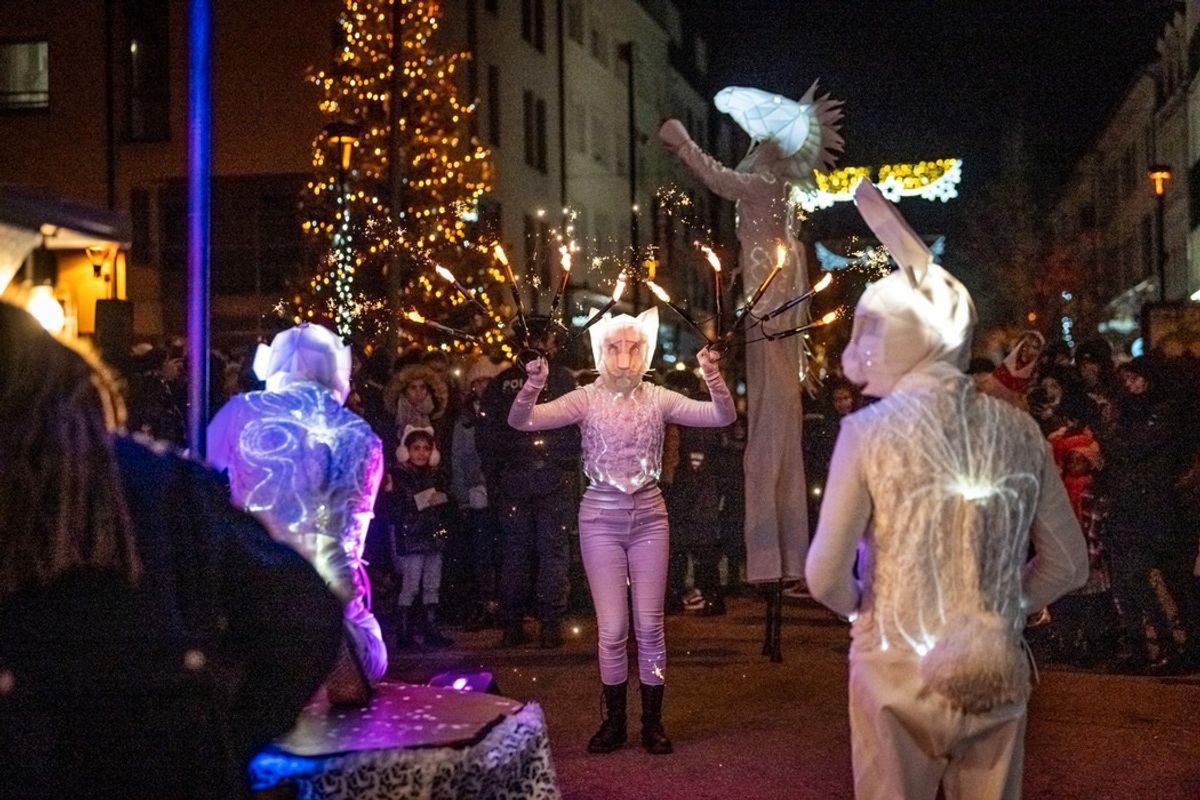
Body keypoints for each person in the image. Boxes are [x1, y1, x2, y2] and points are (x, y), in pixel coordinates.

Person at [805, 181, 1087, 800]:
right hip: (992, 666)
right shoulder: (1019, 429)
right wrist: (1004, 608)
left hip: (892, 668)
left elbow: (825, 575)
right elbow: (1070, 563)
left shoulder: (867, 431)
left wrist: (870, 610)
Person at [0, 302, 342, 799]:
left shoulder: (154, 485)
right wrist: (224, 731)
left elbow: (301, 613)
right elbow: (302, 614)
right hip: (162, 763)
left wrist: (225, 729)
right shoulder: (160, 485)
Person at [508, 306, 735, 756]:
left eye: (634, 347)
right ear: (601, 349)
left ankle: (653, 722)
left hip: (650, 515)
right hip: (599, 517)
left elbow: (721, 416)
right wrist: (533, 382)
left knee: (650, 627)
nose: (625, 357)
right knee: (612, 629)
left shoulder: (659, 397)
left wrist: (711, 374)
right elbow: (521, 421)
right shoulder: (585, 397)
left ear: (645, 350)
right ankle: (614, 721)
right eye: (615, 347)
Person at [207, 323, 387, 690]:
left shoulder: (238, 411)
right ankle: (336, 638)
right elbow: (351, 532)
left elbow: (199, 475)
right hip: (325, 590)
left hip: (253, 581)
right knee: (373, 649)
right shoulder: (360, 435)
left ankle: (267, 647)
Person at [477, 317, 581, 649]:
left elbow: (487, 437)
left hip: (513, 478)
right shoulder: (562, 380)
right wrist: (564, 463)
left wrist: (497, 476)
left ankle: (513, 624)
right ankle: (550, 624)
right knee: (552, 551)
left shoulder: (502, 383)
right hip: (550, 475)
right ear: (546, 340)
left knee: (515, 552)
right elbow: (576, 429)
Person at [450, 357, 507, 628]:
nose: (483, 386)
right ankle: (486, 603)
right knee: (481, 553)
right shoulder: (464, 421)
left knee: (503, 551)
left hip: (500, 491)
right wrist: (463, 494)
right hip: (475, 495)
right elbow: (458, 459)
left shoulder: (503, 412)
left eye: (487, 381)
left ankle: (504, 603)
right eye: (479, 382)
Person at [386, 425, 453, 649]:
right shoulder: (399, 475)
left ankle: (431, 630)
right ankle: (404, 634)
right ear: (406, 450)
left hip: (434, 536)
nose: (422, 453)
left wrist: (444, 499)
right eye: (416, 448)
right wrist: (430, 499)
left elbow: (443, 501)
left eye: (426, 448)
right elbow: (403, 503)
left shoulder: (436, 474)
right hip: (412, 537)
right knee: (411, 585)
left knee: (432, 584)